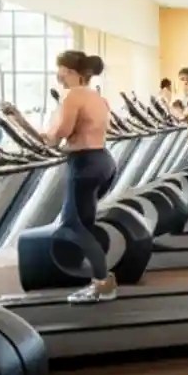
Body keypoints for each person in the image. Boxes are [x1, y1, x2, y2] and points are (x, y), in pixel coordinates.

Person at [41, 51, 118, 303]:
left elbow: (62, 131)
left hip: (84, 164)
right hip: (103, 161)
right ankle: (99, 281)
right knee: (84, 225)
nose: (58, 74)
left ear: (70, 71)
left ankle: (103, 283)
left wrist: (46, 136)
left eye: (60, 69)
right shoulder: (96, 96)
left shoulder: (73, 96)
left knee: (72, 225)